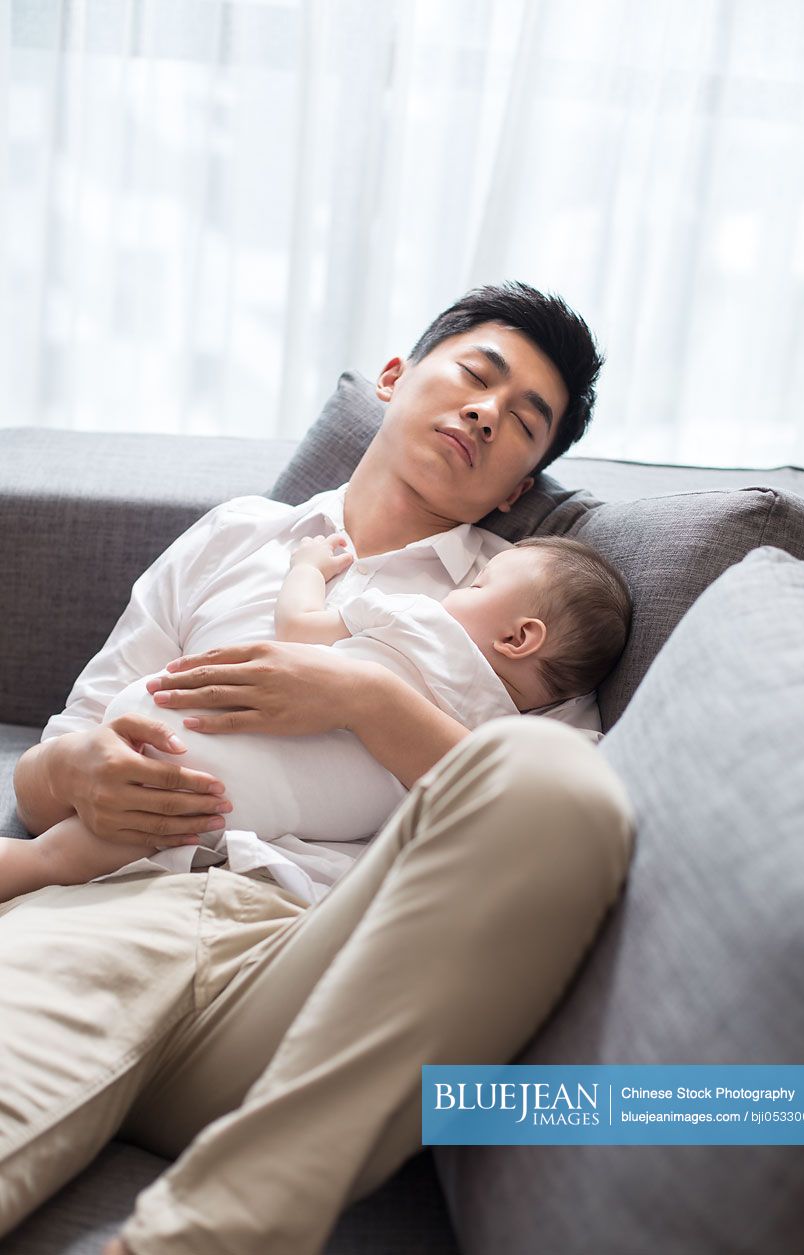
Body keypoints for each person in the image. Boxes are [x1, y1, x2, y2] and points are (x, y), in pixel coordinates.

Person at [2, 281, 636, 1255]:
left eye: (523, 422)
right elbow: (44, 771)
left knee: (562, 788)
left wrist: (366, 701)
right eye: (478, 374)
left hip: (310, 976)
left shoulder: (526, 616)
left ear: (518, 486)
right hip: (111, 901)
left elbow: (543, 807)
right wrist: (78, 772)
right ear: (395, 377)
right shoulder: (240, 537)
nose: (486, 412)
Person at [0, 530, 631, 903]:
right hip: (245, 806)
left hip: (186, 730)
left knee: (75, 850)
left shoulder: (420, 617)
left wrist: (306, 570)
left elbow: (299, 628)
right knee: (66, 857)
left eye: (478, 585)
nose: (460, 589)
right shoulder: (522, 735)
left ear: (519, 637)